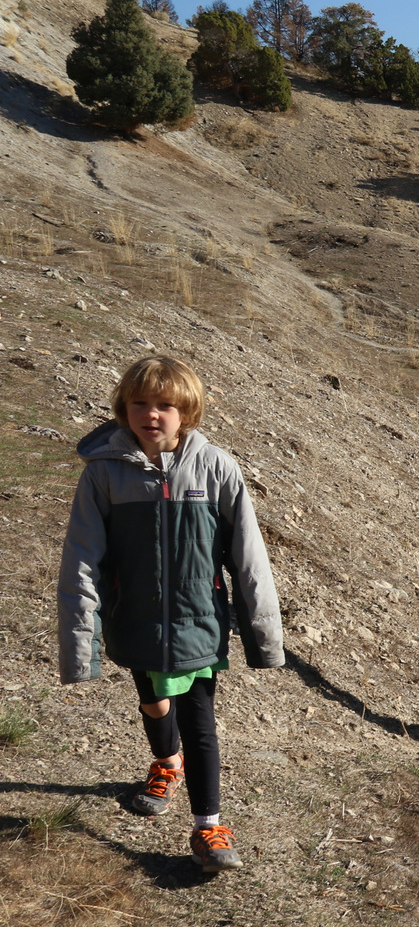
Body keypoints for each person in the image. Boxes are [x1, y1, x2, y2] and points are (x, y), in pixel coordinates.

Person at [58, 356, 283, 872]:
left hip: (198, 622)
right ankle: (166, 761)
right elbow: (82, 558)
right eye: (140, 403)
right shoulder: (104, 475)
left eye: (165, 405)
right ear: (122, 408)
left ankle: (209, 826)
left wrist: (262, 636)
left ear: (188, 413)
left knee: (199, 719)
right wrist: (81, 641)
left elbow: (249, 558)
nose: (151, 414)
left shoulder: (218, 468)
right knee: (155, 700)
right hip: (134, 620)